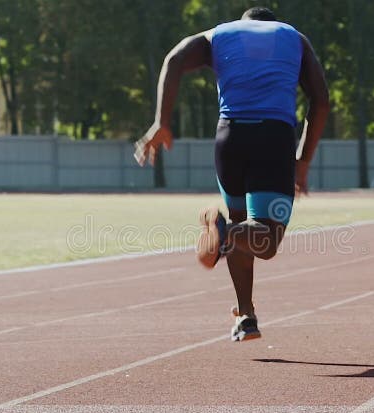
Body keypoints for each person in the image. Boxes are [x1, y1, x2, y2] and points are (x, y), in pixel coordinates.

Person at [135, 6, 329, 342]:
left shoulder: (219, 34)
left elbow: (175, 59)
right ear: (272, 24)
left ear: (244, 22)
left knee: (243, 232)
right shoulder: (294, 39)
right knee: (265, 240)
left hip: (230, 139)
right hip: (273, 138)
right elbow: (321, 101)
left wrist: (162, 122)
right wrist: (303, 160)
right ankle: (223, 229)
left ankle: (246, 315)